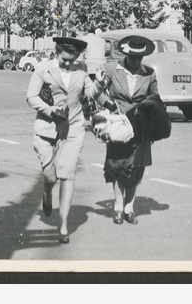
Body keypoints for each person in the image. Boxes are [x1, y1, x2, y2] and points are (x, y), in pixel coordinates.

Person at [26, 36, 100, 244]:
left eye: (72, 59)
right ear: (56, 53)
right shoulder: (43, 69)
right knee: (51, 177)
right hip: (47, 128)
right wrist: (50, 110)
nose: (68, 63)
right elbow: (31, 97)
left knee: (67, 174)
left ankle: (63, 225)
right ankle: (47, 191)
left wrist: (100, 83)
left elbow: (91, 93)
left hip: (73, 128)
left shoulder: (81, 70)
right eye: (64, 59)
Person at [96, 35, 170, 225]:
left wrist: (148, 106)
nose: (135, 61)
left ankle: (130, 207)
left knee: (136, 169)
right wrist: (110, 105)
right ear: (125, 54)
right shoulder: (113, 70)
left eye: (139, 57)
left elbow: (156, 98)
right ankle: (118, 208)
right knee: (118, 166)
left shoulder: (149, 74)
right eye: (132, 57)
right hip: (118, 126)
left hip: (141, 126)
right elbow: (97, 93)